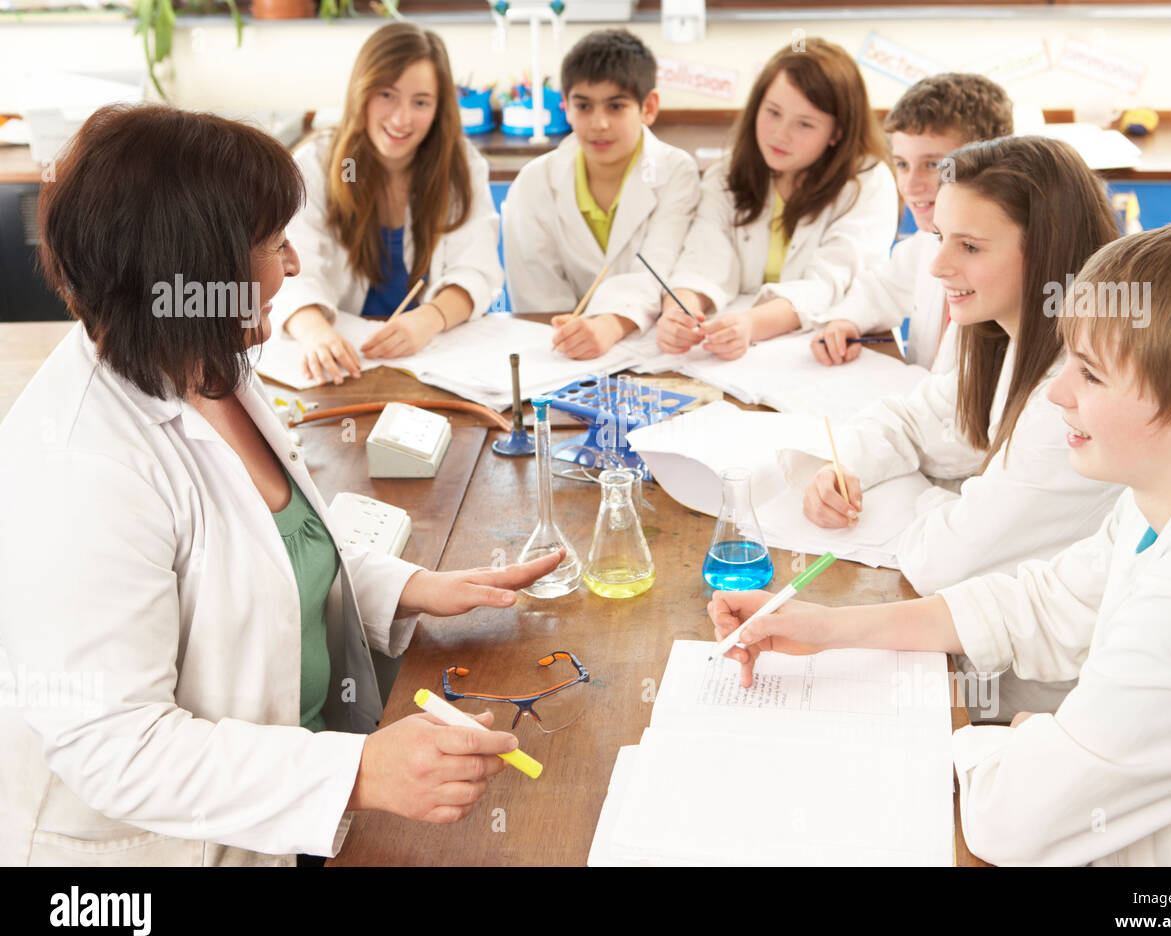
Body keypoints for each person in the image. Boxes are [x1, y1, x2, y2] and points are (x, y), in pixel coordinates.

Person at [0, 104, 559, 866]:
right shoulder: (81, 465)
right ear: (197, 269)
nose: (294, 268)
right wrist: (357, 772)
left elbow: (263, 556)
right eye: (272, 244)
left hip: (299, 792)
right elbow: (114, 748)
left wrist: (412, 587)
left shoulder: (206, 366)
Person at [710, 212, 1171, 865]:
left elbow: (1014, 825)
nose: (1060, 395)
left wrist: (1009, 739)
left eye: (1093, 375)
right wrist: (830, 628)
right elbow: (1046, 603)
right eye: (1068, 363)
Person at [790, 136, 1125, 717]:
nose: (940, 265)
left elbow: (941, 564)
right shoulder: (994, 332)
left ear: (1046, 252)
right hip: (971, 652)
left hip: (1037, 700)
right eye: (940, 237)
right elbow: (912, 419)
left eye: (969, 245)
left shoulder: (1071, 400)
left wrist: (931, 495)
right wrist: (844, 467)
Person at [276, 23, 503, 385]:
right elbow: (289, 272)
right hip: (346, 368)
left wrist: (430, 319)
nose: (401, 118)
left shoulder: (462, 166)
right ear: (360, 93)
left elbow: (477, 271)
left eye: (421, 102)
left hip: (431, 362)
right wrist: (316, 333)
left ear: (439, 107)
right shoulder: (316, 164)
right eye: (387, 95)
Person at [657, 38, 897, 361]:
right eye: (772, 112)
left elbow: (828, 284)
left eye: (805, 124)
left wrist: (750, 325)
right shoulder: (727, 174)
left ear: (836, 133)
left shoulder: (867, 181)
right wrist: (678, 311)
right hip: (737, 359)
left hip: (823, 355)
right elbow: (703, 258)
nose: (780, 135)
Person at [503, 28, 701, 359]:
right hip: (560, 352)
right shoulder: (534, 182)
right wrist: (572, 333)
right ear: (565, 106)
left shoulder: (676, 172)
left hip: (647, 346)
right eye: (583, 106)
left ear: (648, 106)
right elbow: (537, 298)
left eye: (616, 106)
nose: (599, 124)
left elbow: (657, 270)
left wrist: (608, 325)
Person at [812, 73, 1014, 372]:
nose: (910, 184)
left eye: (934, 165)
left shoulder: (1006, 270)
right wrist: (846, 320)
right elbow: (882, 289)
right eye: (903, 164)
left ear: (993, 163)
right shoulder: (928, 242)